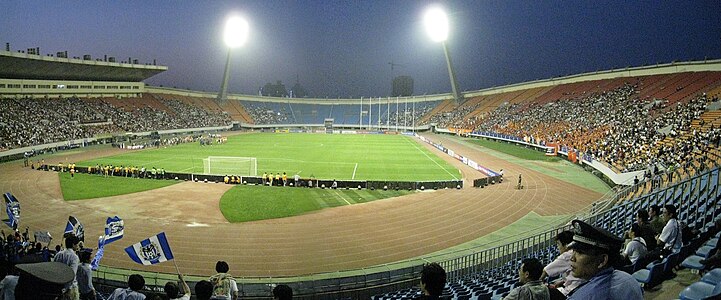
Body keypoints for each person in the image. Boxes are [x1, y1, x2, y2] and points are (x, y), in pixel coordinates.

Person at [566, 220, 643, 300]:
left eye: (580, 252)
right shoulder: (629, 280)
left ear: (602, 260)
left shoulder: (583, 297)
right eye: (573, 251)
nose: (572, 258)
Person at [541, 231, 584, 296]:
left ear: (566, 245)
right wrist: (563, 282)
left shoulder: (566, 255)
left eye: (558, 244)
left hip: (571, 291)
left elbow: (545, 271)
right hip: (580, 288)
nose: (558, 247)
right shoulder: (578, 252)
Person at [54, 235, 80, 300]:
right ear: (73, 245)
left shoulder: (58, 254)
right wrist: (68, 289)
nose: (78, 246)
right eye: (77, 244)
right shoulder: (74, 257)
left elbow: (54, 270)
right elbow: (72, 274)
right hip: (70, 289)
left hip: (59, 286)